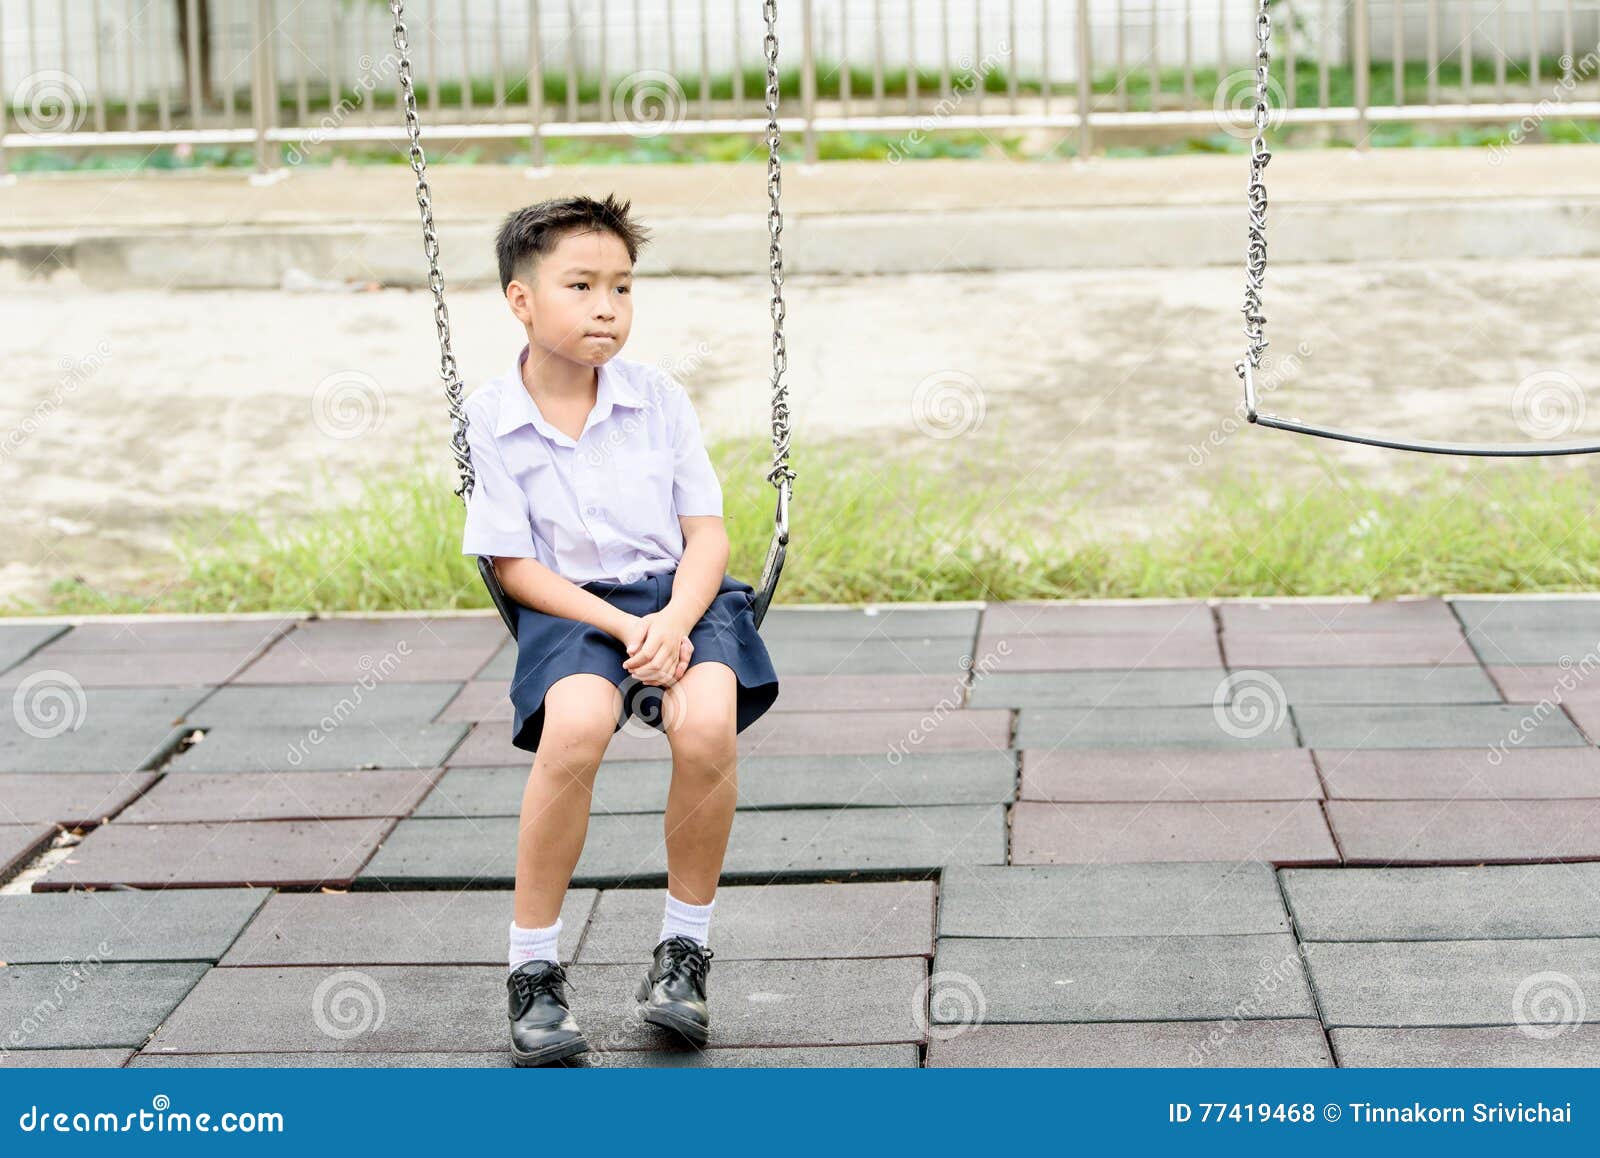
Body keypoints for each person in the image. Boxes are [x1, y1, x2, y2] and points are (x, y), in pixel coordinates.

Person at [461, 194, 781, 1066]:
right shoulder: (491, 416)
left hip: (682, 597)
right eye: (581, 286)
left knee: (706, 725)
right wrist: (622, 626)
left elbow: (707, 535)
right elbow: (513, 567)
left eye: (623, 287)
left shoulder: (657, 397)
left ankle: (684, 955)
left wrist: (673, 620)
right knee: (573, 730)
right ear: (521, 300)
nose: (607, 307)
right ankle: (533, 969)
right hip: (572, 606)